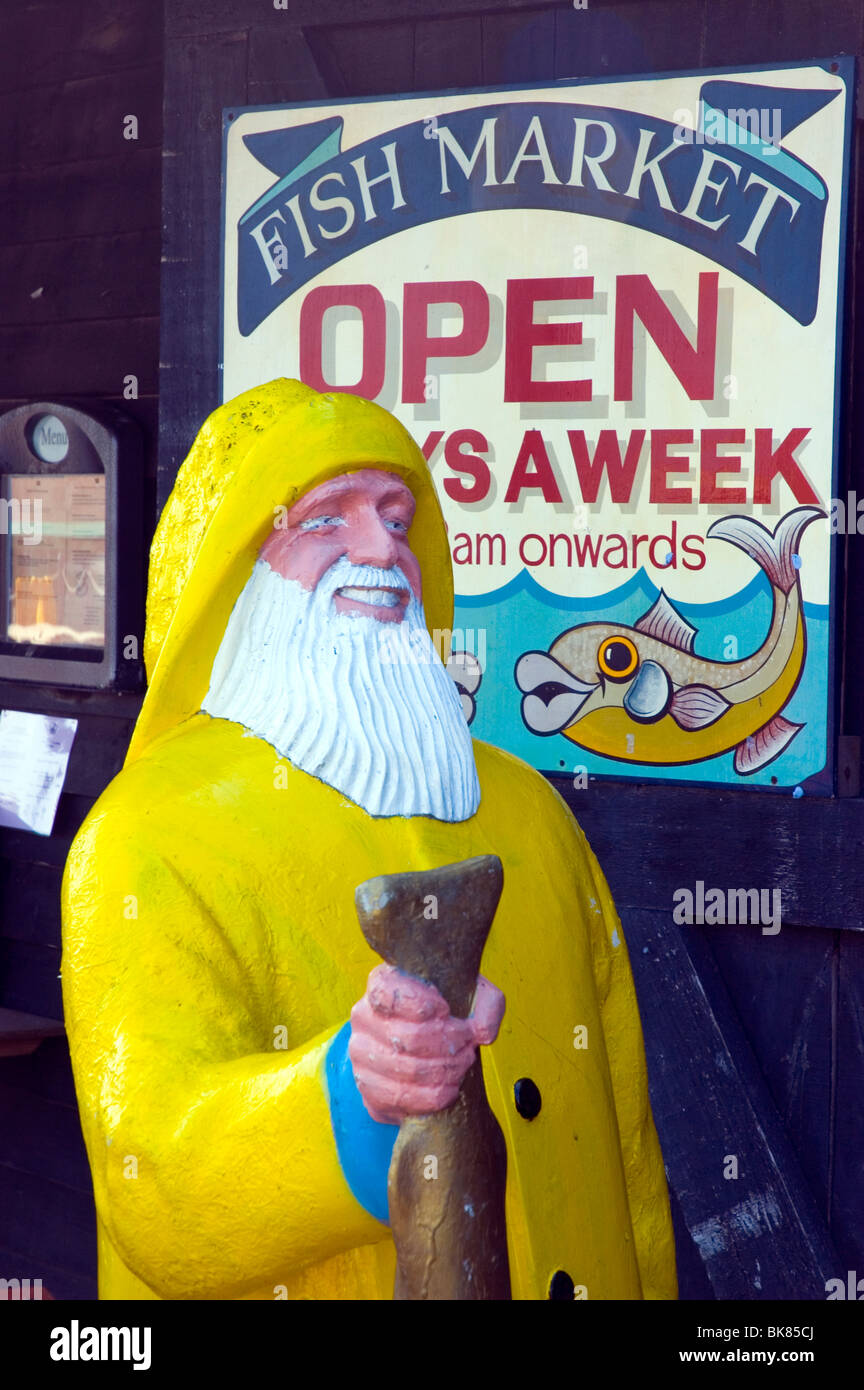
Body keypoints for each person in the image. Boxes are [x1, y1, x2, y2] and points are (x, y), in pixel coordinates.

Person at [61, 378, 677, 1301]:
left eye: (397, 514)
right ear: (236, 570)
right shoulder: (148, 835)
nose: (380, 545)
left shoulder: (533, 811)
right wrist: (352, 1101)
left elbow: (623, 1131)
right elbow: (155, 1183)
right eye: (323, 520)